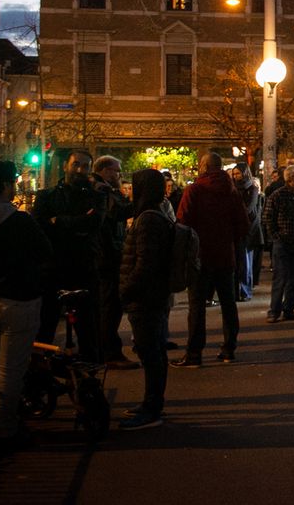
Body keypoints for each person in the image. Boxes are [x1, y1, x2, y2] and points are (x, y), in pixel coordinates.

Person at [0, 160, 52, 448]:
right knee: (10, 370)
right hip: (18, 301)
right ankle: (5, 428)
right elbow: (44, 251)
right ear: (5, 185)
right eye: (13, 180)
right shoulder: (19, 220)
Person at [172, 152, 249, 366]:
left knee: (196, 306)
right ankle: (228, 348)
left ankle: (195, 352)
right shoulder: (231, 191)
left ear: (203, 167)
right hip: (225, 255)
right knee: (228, 303)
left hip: (200, 257)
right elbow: (243, 224)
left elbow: (182, 221)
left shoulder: (194, 190)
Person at [32, 149, 106, 361]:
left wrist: (59, 221)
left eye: (85, 166)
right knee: (46, 326)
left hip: (85, 268)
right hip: (53, 269)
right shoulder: (46, 196)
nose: (80, 170)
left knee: (88, 329)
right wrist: (79, 222)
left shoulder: (96, 197)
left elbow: (94, 224)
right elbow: (40, 227)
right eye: (76, 165)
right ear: (66, 166)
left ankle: (89, 374)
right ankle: (41, 371)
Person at [118, 169, 173, 430]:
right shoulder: (156, 215)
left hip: (146, 297)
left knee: (151, 352)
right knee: (154, 351)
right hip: (153, 295)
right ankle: (152, 403)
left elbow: (144, 264)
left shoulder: (148, 220)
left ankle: (152, 407)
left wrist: (125, 291)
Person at [92, 155, 137, 369]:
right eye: (116, 171)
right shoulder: (102, 190)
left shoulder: (100, 189)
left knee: (107, 305)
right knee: (110, 306)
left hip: (106, 252)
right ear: (105, 171)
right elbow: (116, 213)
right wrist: (138, 203)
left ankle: (105, 350)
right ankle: (110, 352)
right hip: (108, 255)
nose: (119, 175)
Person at [262, 165, 294, 323]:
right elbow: (268, 218)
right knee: (281, 278)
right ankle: (274, 311)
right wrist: (277, 236)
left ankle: (289, 309)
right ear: (290, 179)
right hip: (283, 243)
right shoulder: (277, 196)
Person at [231, 162, 262, 302]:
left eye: (238, 173)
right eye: (234, 174)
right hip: (235, 228)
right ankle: (236, 291)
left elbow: (250, 208)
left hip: (248, 229)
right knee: (237, 262)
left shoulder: (252, 188)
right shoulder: (232, 189)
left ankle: (245, 291)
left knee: (246, 262)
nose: (236, 176)